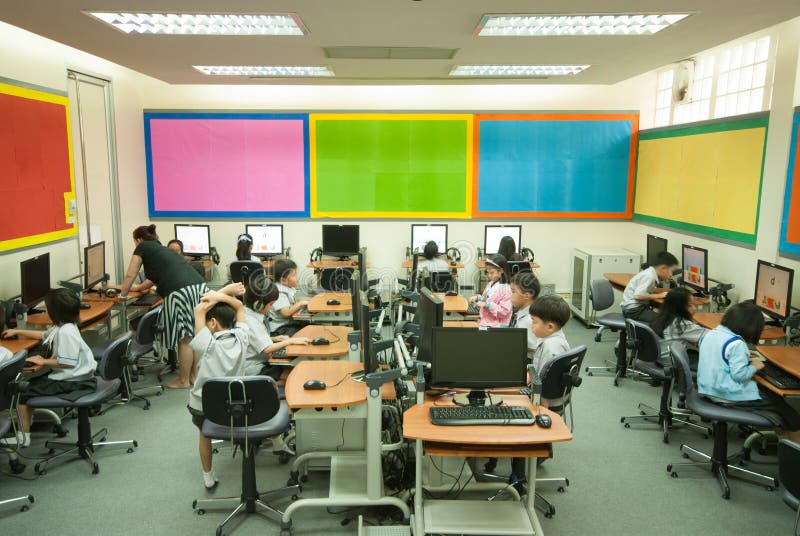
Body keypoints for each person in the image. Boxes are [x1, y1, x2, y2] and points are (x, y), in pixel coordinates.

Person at [114, 224, 206, 389]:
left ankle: (183, 381)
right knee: (193, 335)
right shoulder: (162, 249)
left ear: (138, 239)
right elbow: (154, 277)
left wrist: (122, 295)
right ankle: (194, 376)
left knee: (184, 338)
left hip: (180, 292)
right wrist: (137, 288)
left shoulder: (142, 247)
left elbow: (130, 273)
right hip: (198, 287)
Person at [1, 289, 97, 447]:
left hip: (74, 381)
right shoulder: (66, 325)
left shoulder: (65, 332)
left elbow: (67, 362)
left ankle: (23, 437)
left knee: (21, 392)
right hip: (77, 376)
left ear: (54, 312)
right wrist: (17, 331)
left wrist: (43, 361)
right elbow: (44, 336)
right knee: (31, 384)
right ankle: (27, 422)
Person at [697, 301, 800, 442]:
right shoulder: (737, 344)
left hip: (709, 389)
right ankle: (792, 454)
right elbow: (739, 376)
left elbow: (718, 358)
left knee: (775, 400)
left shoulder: (711, 333)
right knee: (790, 413)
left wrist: (742, 357)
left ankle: (781, 440)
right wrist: (755, 366)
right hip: (726, 395)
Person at [187, 287, 250, 490]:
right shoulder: (243, 337)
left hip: (206, 408)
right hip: (237, 407)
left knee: (204, 434)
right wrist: (223, 296)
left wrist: (218, 293)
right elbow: (239, 306)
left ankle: (208, 475)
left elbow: (199, 309)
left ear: (212, 323)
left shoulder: (208, 344)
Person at [241, 281, 309, 382]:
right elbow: (267, 349)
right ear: (258, 305)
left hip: (262, 361)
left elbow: (252, 338)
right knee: (295, 378)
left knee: (296, 371)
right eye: (271, 304)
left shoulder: (249, 313)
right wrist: (289, 341)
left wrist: (274, 338)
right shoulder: (251, 321)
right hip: (255, 368)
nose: (272, 307)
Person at [651, 287, 707, 366]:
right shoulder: (681, 324)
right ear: (679, 307)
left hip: (661, 357)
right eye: (690, 305)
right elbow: (710, 336)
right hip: (672, 363)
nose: (695, 308)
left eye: (695, 304)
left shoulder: (663, 316)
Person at [620, 251, 679, 323]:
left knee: (664, 316)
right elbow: (638, 296)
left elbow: (646, 289)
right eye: (671, 271)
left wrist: (662, 291)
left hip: (632, 308)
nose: (671, 275)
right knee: (666, 321)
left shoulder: (649, 272)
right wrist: (659, 295)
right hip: (634, 311)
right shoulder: (650, 276)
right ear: (663, 268)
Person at [529, 295, 571, 377]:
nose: (531, 325)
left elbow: (544, 380)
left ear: (550, 327)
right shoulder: (548, 336)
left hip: (540, 387)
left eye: (534, 322)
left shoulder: (551, 348)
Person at [269, 259, 310, 336]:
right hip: (280, 329)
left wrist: (305, 300)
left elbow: (290, 301)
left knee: (311, 326)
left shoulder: (286, 287)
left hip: (288, 324)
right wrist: (300, 304)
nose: (297, 277)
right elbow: (285, 313)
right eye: (294, 275)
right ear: (283, 280)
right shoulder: (279, 292)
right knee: (310, 330)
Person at [470, 254, 512, 327]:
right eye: (487, 272)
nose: (489, 275)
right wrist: (477, 298)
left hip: (497, 326)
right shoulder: (491, 284)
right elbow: (486, 298)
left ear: (501, 271)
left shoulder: (506, 289)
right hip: (486, 322)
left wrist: (488, 305)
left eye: (492, 272)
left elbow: (504, 312)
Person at [509, 271, 541, 359]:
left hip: (527, 362)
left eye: (513, 292)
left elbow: (534, 348)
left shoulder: (530, 320)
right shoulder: (524, 310)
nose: (510, 296)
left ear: (526, 296)